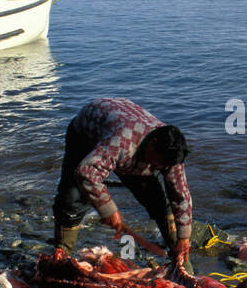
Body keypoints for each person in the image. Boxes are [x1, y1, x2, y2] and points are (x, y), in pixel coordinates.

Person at [52, 98, 194, 271]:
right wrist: (108, 208)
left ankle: (181, 263)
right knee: (72, 197)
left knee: (158, 201)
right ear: (152, 144)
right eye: (158, 162)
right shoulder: (122, 143)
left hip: (126, 136)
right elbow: (86, 172)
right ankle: (61, 253)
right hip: (86, 134)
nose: (159, 168)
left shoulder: (170, 155)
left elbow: (180, 195)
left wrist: (184, 238)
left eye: (164, 166)